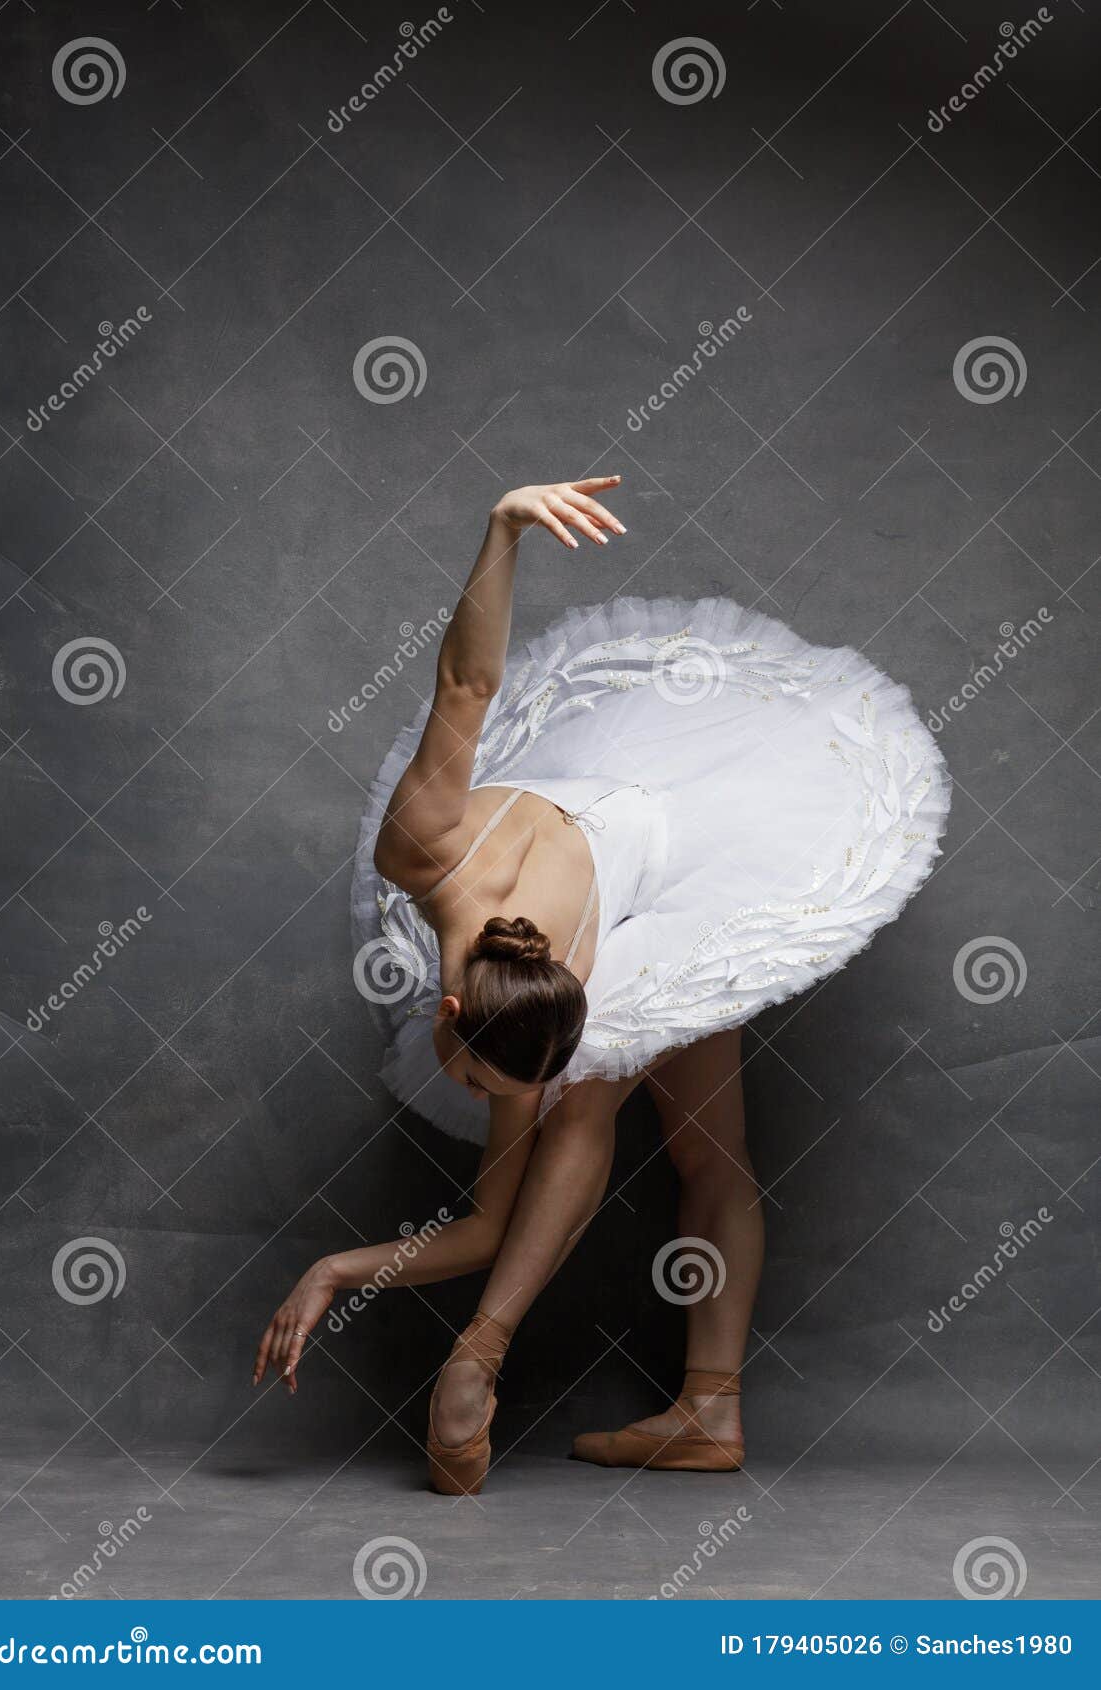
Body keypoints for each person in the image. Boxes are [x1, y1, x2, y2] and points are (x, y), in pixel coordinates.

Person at [253, 476, 951, 1494]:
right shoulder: (442, 865)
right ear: (454, 1007)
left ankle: (484, 1359)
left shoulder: (536, 993)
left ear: (452, 1012)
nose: (493, 1103)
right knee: (707, 1150)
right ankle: (707, 1408)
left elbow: (464, 685)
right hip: (604, 821)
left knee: (603, 1122)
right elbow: (464, 691)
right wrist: (330, 1270)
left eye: (499, 1091)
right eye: (496, 1091)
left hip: (685, 860)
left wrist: (506, 525)